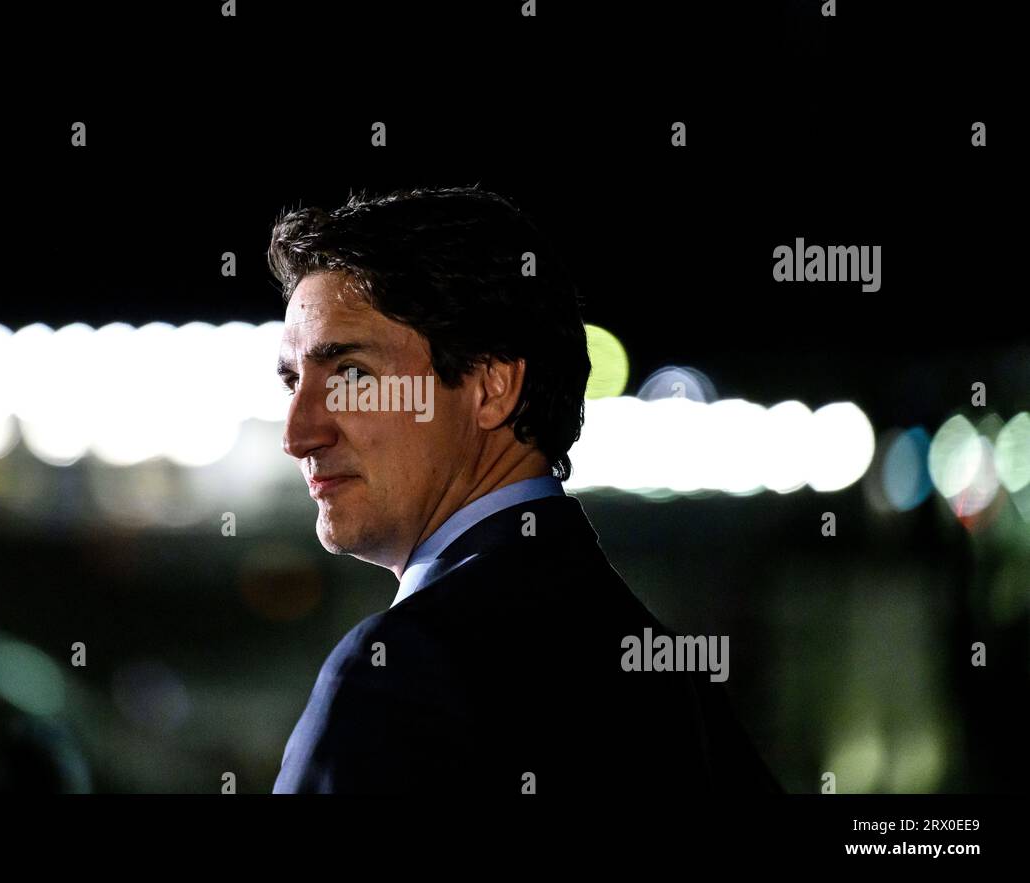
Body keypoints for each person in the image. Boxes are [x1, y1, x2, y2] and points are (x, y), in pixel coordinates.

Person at [268, 185, 779, 794]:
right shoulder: (672, 681)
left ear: (491, 389)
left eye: (351, 376)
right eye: (293, 382)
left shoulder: (396, 675)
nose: (298, 435)